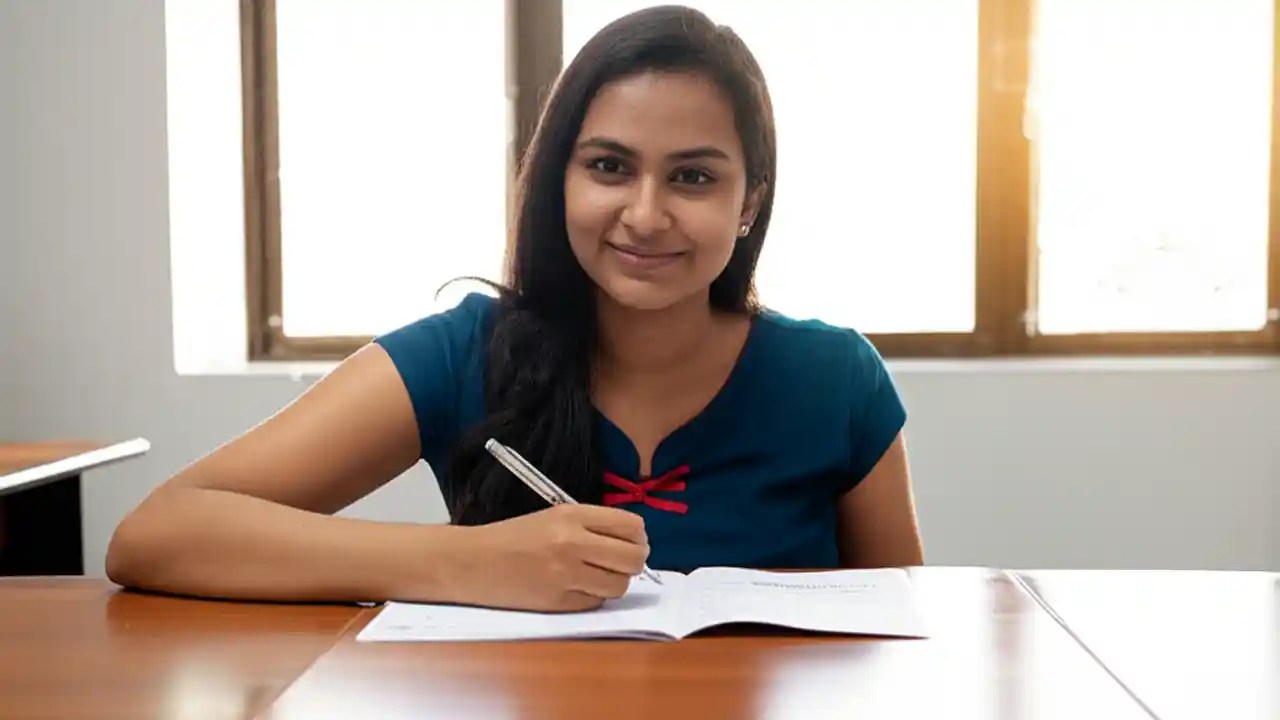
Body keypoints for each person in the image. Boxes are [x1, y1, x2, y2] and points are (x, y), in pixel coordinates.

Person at [106, 5, 923, 613]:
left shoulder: (836, 379)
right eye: (609, 166)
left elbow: (911, 626)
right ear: (557, 177)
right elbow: (157, 533)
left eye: (694, 177)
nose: (644, 213)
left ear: (751, 204)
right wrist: (467, 563)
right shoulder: (464, 353)